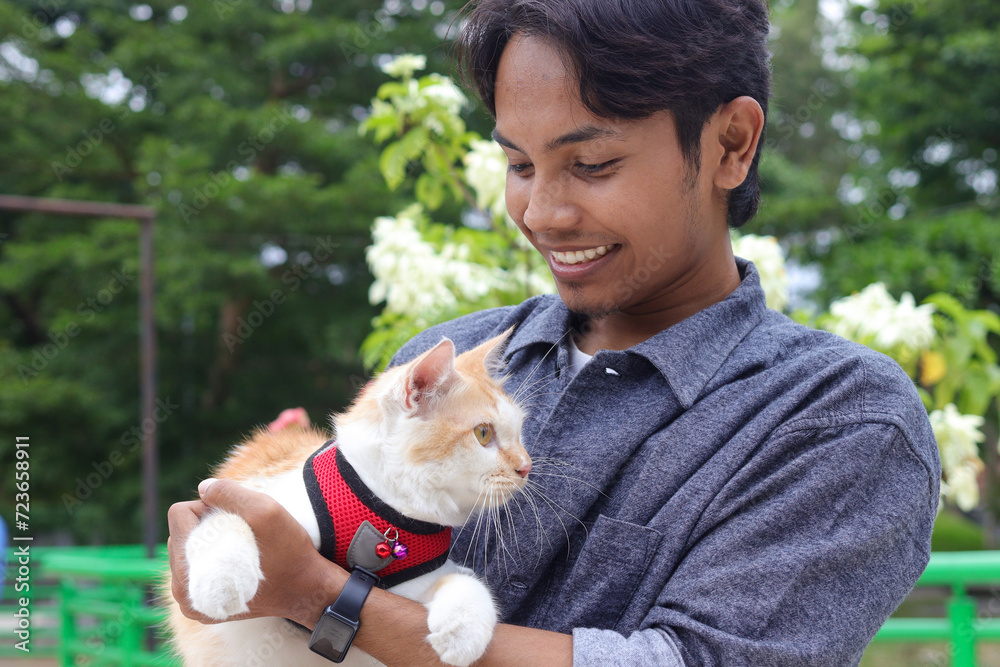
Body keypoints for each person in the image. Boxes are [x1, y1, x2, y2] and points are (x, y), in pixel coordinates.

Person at [167, 0, 940, 665]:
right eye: (520, 164)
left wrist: (314, 593)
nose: (542, 214)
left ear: (730, 144)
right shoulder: (451, 360)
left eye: (592, 163)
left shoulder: (842, 417)